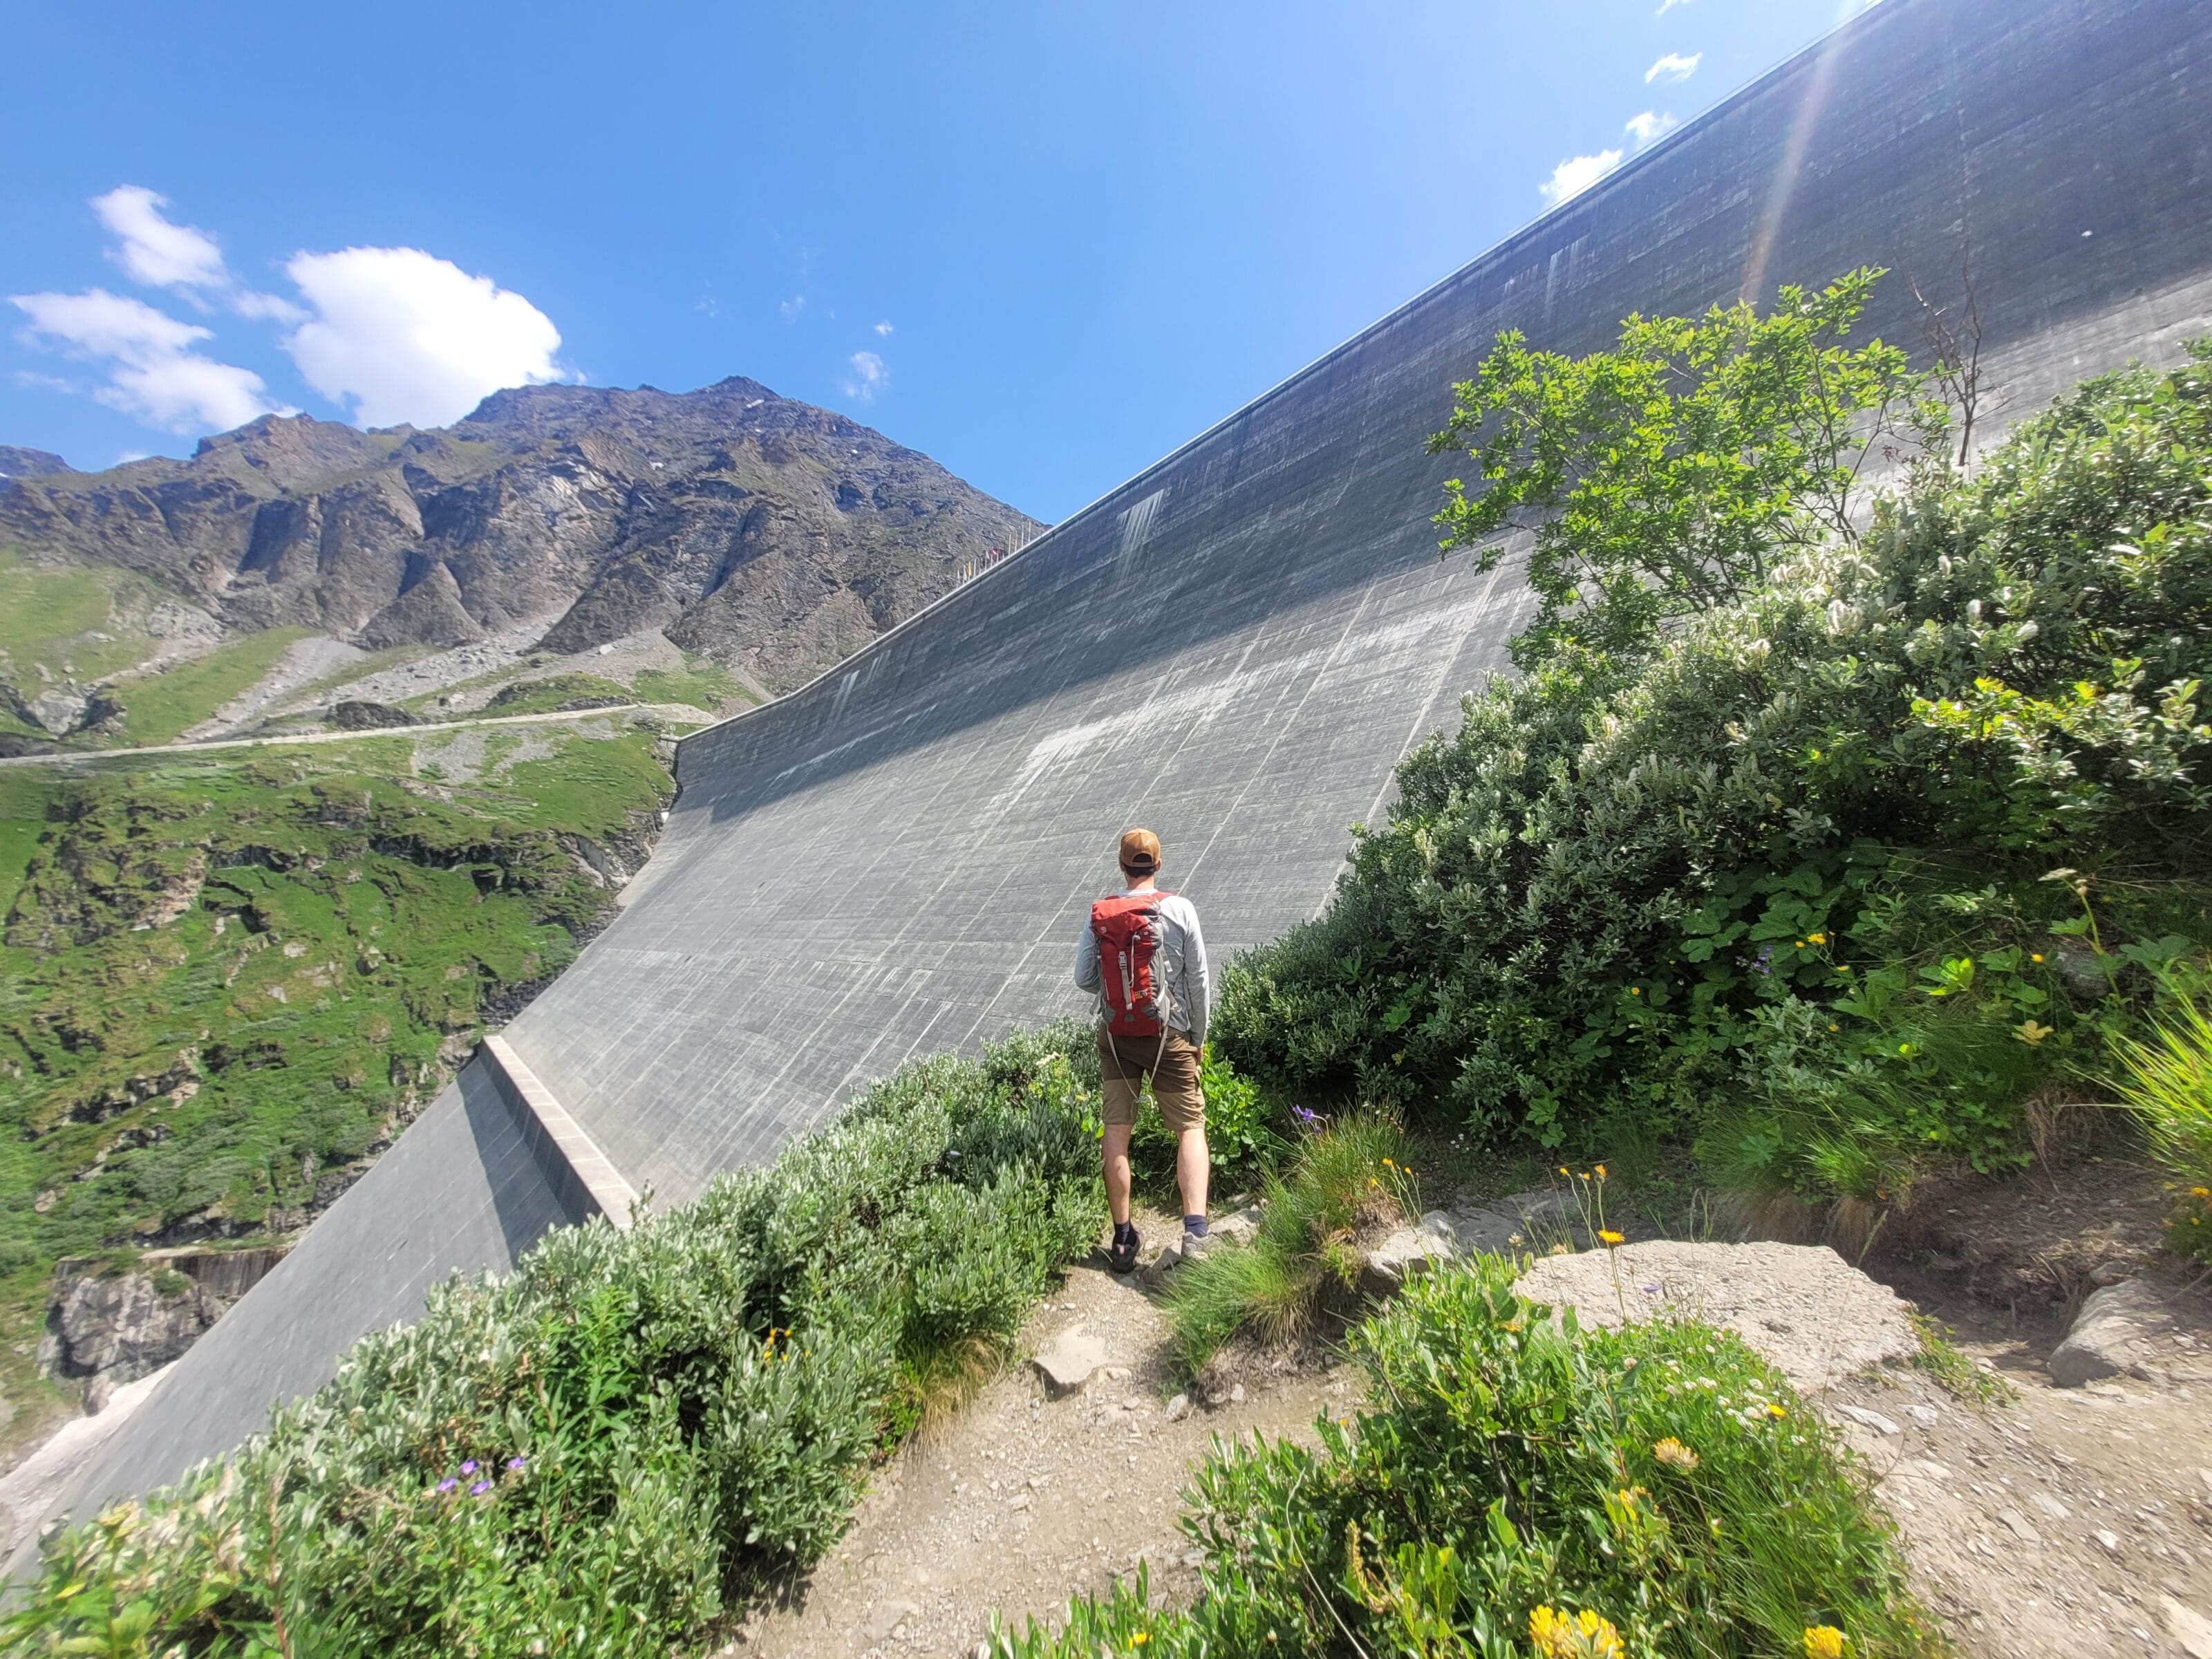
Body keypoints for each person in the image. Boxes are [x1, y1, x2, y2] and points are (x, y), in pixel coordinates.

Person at [1074, 827, 1211, 1275]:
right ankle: (1195, 1232)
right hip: (1169, 1035)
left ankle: (1123, 1238)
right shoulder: (1180, 908)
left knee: (1117, 1133)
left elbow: (1084, 979)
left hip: (1115, 1036)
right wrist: (1198, 1039)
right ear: (1157, 864)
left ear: (1121, 865)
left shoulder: (1100, 914)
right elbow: (1199, 982)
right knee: (1189, 1127)